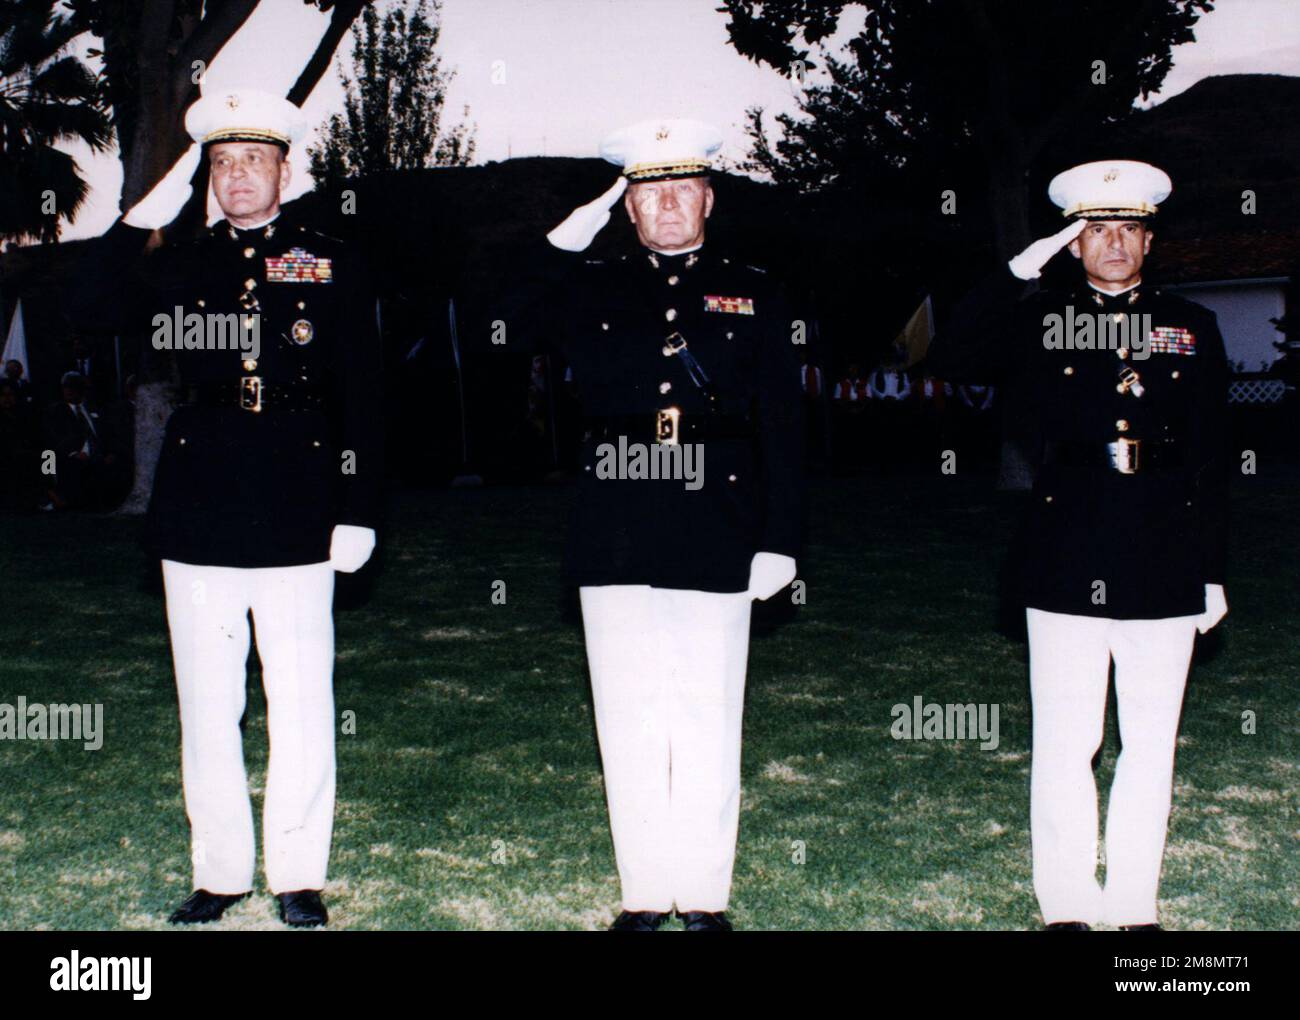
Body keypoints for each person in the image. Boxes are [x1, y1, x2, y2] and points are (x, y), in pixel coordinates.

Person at [68, 88, 382, 927]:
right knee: (208, 697)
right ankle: (219, 872)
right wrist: (143, 213)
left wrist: (358, 506)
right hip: (202, 492)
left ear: (286, 167)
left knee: (301, 694)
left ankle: (299, 874)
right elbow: (88, 305)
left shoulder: (332, 258)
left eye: (254, 159)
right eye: (221, 163)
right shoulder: (179, 263)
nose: (237, 175)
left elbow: (364, 392)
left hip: (300, 491)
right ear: (206, 177)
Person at [498, 118, 804, 930]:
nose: (667, 206)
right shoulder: (590, 284)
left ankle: (702, 892)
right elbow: (503, 312)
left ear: (709, 199)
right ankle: (642, 890)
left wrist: (783, 538)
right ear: (627, 208)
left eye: (682, 190)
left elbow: (786, 424)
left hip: (720, 515)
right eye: (648, 193)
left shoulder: (757, 289)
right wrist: (569, 231)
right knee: (628, 712)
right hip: (618, 518)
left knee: (708, 709)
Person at [926, 160, 1229, 931]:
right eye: (1098, 230)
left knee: (1150, 738)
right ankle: (1065, 904)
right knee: (1068, 738)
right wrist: (1020, 268)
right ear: (1075, 243)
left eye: (1129, 229)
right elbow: (952, 351)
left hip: (1165, 548)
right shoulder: (1037, 320)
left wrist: (1212, 569)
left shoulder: (1191, 325)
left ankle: (1133, 904)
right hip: (1065, 545)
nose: (1116, 244)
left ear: (1150, 242)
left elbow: (1212, 454)